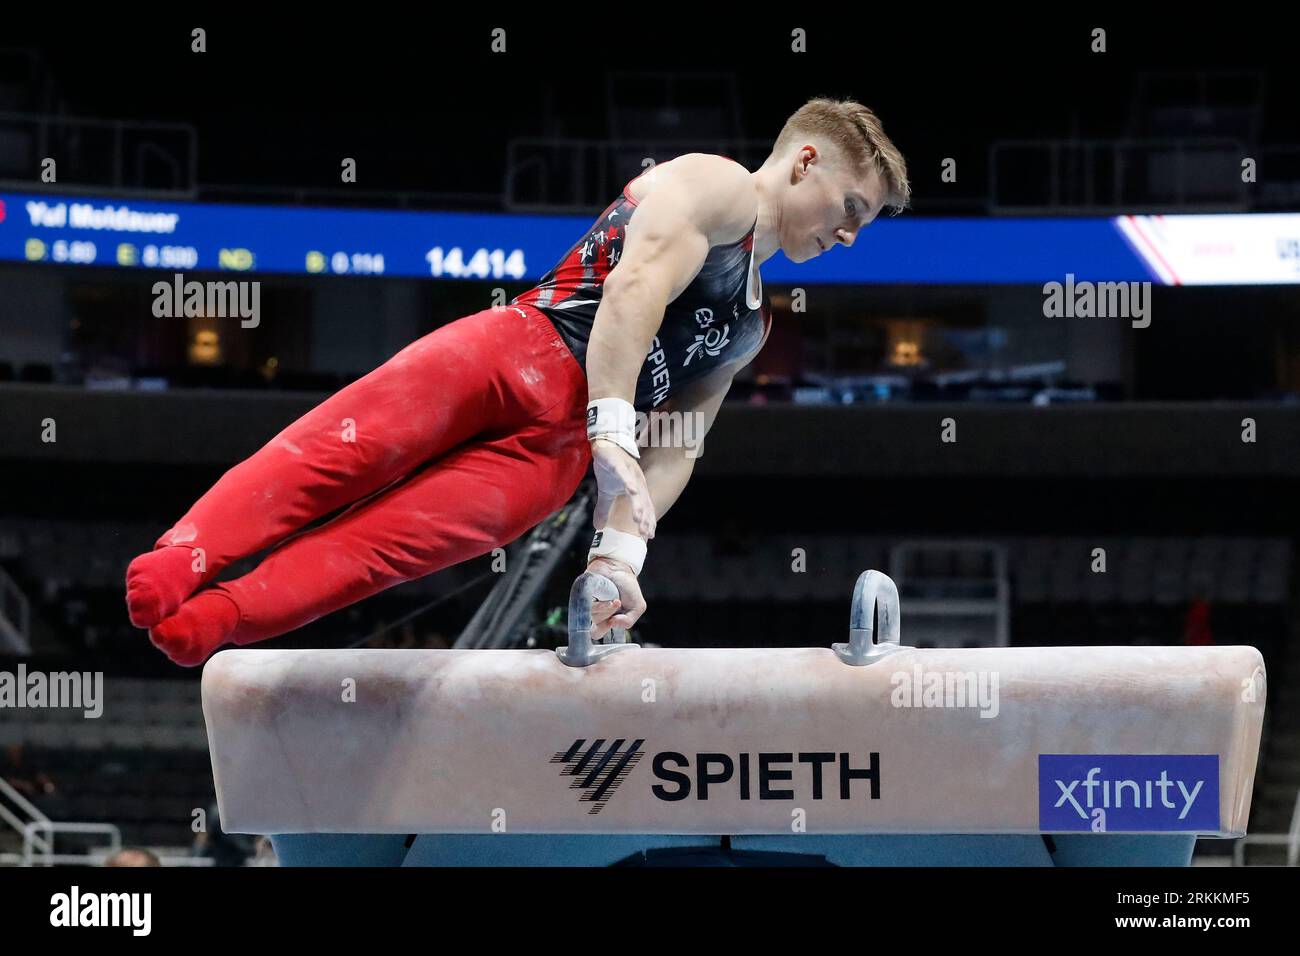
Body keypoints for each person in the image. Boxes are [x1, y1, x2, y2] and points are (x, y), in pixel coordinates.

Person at [124, 97, 910, 665]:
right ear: (805, 160)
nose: (849, 235)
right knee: (335, 455)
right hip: (515, 353)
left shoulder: (752, 326)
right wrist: (611, 427)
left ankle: (226, 615)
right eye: (850, 207)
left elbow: (676, 446)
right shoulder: (719, 186)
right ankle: (185, 556)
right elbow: (634, 288)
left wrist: (617, 558)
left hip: (549, 462)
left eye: (863, 225)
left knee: (379, 552)